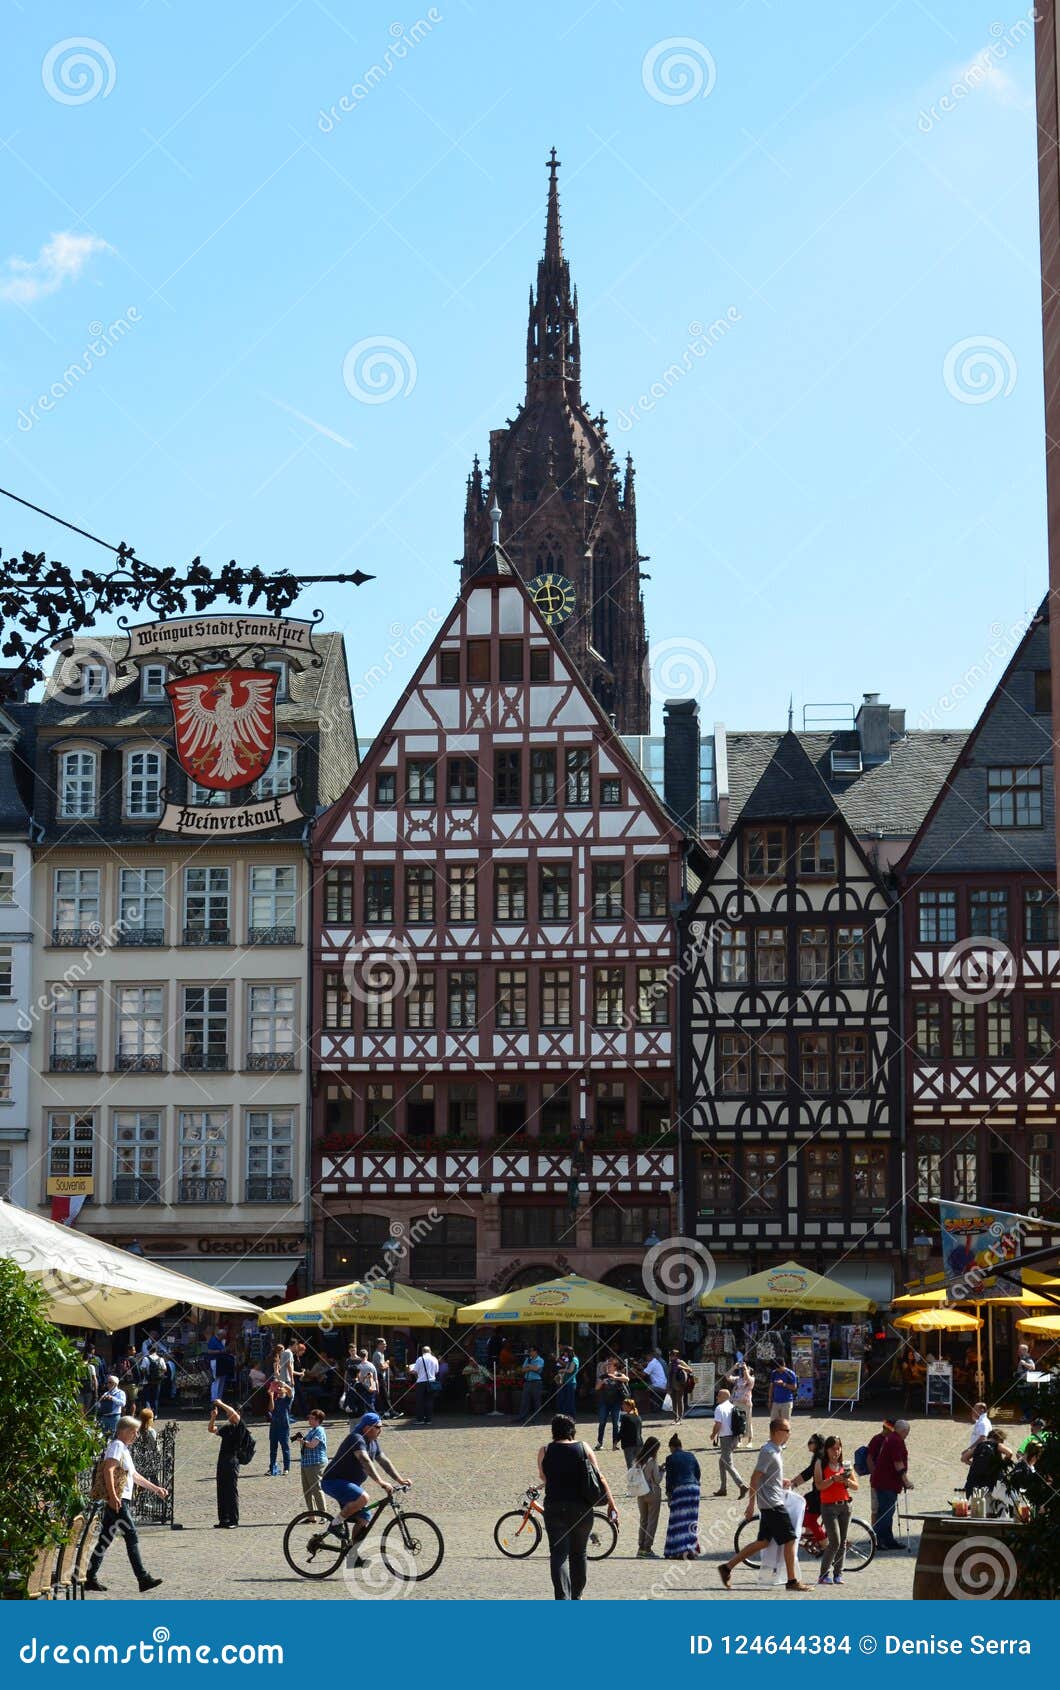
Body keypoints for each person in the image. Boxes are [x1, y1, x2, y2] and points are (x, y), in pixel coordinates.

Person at [718, 1417, 810, 1592]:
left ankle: (727, 1567)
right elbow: (755, 1477)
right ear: (777, 1432)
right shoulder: (768, 1451)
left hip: (771, 1502)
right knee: (790, 1539)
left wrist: (779, 1481)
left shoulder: (775, 1450)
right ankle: (792, 1581)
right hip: (773, 1504)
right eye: (787, 1430)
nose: (790, 1434)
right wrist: (751, 1504)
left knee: (763, 1542)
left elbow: (766, 1476)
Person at [537, 1412, 619, 1600]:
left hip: (554, 1506)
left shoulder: (545, 1450)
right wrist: (611, 1504)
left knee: (558, 1555)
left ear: (553, 1432)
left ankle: (562, 1599)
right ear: (572, 1431)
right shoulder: (584, 1447)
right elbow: (599, 1477)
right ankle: (577, 1596)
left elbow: (544, 1477)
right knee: (579, 1553)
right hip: (581, 1508)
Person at [310, 1412, 410, 1563]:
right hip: (333, 1481)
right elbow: (364, 1460)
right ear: (367, 1427)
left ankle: (352, 1556)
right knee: (363, 1498)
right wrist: (381, 1482)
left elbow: (384, 1461)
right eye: (377, 1427)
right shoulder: (356, 1438)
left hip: (348, 1485)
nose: (380, 1430)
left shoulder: (373, 1441)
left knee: (364, 1518)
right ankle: (336, 1524)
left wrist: (400, 1480)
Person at [84, 1416, 166, 1593]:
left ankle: (89, 1577)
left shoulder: (125, 1450)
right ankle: (143, 1578)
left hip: (121, 1499)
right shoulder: (117, 1446)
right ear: (125, 1431)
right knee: (131, 1535)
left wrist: (155, 1489)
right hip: (119, 1500)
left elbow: (134, 1476)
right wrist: (113, 1497)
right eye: (134, 1432)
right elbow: (108, 1469)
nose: (136, 1435)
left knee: (105, 1540)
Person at [814, 1434, 857, 1586]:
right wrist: (832, 1479)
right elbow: (819, 1485)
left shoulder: (845, 1465)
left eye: (839, 1448)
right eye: (833, 1449)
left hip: (845, 1505)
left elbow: (856, 1486)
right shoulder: (821, 1464)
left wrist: (845, 1480)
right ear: (827, 1450)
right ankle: (823, 1575)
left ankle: (838, 1574)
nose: (836, 1452)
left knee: (843, 1542)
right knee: (835, 1542)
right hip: (828, 1507)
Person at [871, 1418, 912, 1551]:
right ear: (903, 1430)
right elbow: (898, 1463)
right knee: (885, 1513)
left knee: (887, 1512)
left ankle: (888, 1540)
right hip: (886, 1483)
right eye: (907, 1432)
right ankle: (878, 1540)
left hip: (887, 1482)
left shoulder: (893, 1438)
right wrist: (906, 1481)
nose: (907, 1434)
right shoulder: (895, 1441)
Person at [663, 1432, 701, 1559]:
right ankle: (691, 1549)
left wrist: (669, 1495)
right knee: (691, 1520)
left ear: (672, 1447)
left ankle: (678, 1550)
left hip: (680, 1489)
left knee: (678, 1521)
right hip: (694, 1489)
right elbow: (698, 1472)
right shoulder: (691, 1455)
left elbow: (669, 1479)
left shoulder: (670, 1458)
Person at [209, 1398, 245, 1528]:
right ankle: (223, 1519)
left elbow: (234, 1415)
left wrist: (220, 1403)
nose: (228, 1416)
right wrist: (213, 1417)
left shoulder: (241, 1426)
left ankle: (234, 1520)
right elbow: (211, 1429)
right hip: (222, 1459)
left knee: (231, 1490)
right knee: (221, 1489)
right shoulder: (227, 1427)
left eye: (230, 1413)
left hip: (232, 1460)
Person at [790, 1433, 828, 1547]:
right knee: (803, 1501)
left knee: (810, 1520)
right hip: (818, 1493)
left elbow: (808, 1473)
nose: (808, 1444)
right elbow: (809, 1472)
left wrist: (793, 1484)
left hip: (821, 1494)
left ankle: (825, 1545)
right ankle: (809, 1533)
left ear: (817, 1444)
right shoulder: (819, 1454)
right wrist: (793, 1483)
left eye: (810, 1442)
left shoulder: (820, 1457)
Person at [711, 1387, 748, 1499]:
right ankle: (723, 1488)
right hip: (735, 1438)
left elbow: (718, 1424)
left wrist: (713, 1435)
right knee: (722, 1462)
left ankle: (741, 1485)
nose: (717, 1397)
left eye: (718, 1395)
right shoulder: (732, 1407)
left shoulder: (719, 1408)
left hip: (726, 1438)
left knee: (728, 1463)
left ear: (723, 1397)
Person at [631, 1435, 663, 1558]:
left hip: (640, 1493)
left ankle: (640, 1547)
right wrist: (662, 1470)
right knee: (652, 1521)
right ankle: (647, 1548)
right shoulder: (652, 1461)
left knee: (643, 1521)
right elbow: (657, 1479)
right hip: (652, 1492)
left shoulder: (637, 1460)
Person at [293, 1409, 329, 1515]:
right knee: (307, 1491)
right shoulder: (311, 1430)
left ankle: (323, 1514)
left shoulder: (319, 1430)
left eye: (311, 1418)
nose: (309, 1419)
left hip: (316, 1464)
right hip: (306, 1464)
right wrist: (302, 1440)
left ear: (318, 1420)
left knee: (316, 1489)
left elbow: (313, 1445)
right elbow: (306, 1445)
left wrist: (302, 1441)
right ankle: (311, 1516)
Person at [963, 1428, 1013, 1497]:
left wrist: (974, 1465)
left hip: (974, 1482)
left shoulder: (979, 1445)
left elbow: (964, 1458)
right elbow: (1009, 1453)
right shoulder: (997, 1445)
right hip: (990, 1483)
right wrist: (1001, 1464)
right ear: (1000, 1439)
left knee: (976, 1505)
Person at [865, 1416, 895, 1524]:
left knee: (888, 1510)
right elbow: (869, 1459)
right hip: (877, 1482)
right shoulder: (876, 1440)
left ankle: (886, 1536)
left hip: (889, 1482)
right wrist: (876, 1475)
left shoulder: (891, 1440)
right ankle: (875, 1535)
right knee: (876, 1509)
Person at [594, 1357, 629, 1451]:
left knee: (616, 1424)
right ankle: (599, 1443)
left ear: (615, 1366)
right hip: (604, 1402)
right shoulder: (603, 1376)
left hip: (616, 1403)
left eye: (610, 1365)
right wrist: (602, 1382)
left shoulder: (619, 1374)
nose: (608, 1366)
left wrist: (616, 1377)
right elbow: (596, 1388)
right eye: (608, 1364)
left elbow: (627, 1379)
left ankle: (615, 1444)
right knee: (602, 1423)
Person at [409, 1344, 440, 1423]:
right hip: (432, 1382)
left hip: (421, 1382)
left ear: (422, 1351)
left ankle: (420, 1419)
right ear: (430, 1351)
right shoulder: (434, 1359)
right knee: (429, 1401)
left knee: (420, 1401)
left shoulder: (420, 1358)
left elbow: (415, 1371)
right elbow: (436, 1371)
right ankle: (428, 1419)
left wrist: (409, 1370)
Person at [729, 1359, 755, 1447]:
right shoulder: (738, 1379)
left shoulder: (751, 1379)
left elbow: (749, 1380)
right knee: (738, 1421)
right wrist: (734, 1367)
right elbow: (727, 1376)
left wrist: (745, 1368)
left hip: (746, 1404)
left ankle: (750, 1441)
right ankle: (739, 1440)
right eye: (744, 1369)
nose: (744, 1370)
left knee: (748, 1421)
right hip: (736, 1402)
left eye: (747, 1369)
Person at [269, 1382, 293, 1475]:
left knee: (285, 1448)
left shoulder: (287, 1399)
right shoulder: (275, 1400)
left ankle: (286, 1468)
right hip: (274, 1426)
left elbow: (290, 1391)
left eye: (280, 1387)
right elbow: (271, 1409)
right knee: (273, 1449)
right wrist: (271, 1396)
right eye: (277, 1387)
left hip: (284, 1427)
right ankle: (272, 1467)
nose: (279, 1389)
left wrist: (284, 1385)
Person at [519, 1345, 545, 1423]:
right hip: (527, 1381)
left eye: (531, 1351)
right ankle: (522, 1417)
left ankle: (537, 1418)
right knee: (524, 1401)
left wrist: (529, 1366)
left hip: (536, 1382)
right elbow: (523, 1369)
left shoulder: (540, 1360)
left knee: (536, 1401)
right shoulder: (527, 1359)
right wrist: (532, 1368)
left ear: (535, 1352)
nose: (529, 1352)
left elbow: (537, 1369)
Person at [667, 1349, 695, 1422]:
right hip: (672, 1384)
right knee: (673, 1401)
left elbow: (690, 1370)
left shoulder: (681, 1362)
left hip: (680, 1383)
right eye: (670, 1356)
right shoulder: (670, 1364)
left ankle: (680, 1418)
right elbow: (668, 1375)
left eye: (671, 1356)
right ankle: (674, 1417)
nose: (670, 1357)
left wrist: (682, 1367)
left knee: (679, 1400)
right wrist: (668, 1386)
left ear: (675, 1356)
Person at [618, 1397, 644, 1469]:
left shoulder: (625, 1417)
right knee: (639, 1466)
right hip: (639, 1444)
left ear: (629, 1406)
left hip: (629, 1445)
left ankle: (633, 1480)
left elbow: (622, 1431)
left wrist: (615, 1441)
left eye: (624, 1405)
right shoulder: (638, 1417)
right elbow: (640, 1432)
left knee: (631, 1467)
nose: (622, 1406)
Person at [372, 1338, 393, 1417]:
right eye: (383, 1344)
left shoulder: (381, 1354)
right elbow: (382, 1367)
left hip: (381, 1376)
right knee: (384, 1395)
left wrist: (385, 1364)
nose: (385, 1345)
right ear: (379, 1345)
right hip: (379, 1376)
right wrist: (387, 1363)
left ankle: (385, 1412)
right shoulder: (378, 1354)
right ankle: (391, 1412)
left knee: (383, 1395)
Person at [555, 1348, 579, 1417]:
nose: (564, 1354)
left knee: (570, 1401)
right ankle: (565, 1416)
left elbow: (570, 1370)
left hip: (571, 1383)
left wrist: (562, 1370)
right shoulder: (569, 1360)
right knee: (564, 1400)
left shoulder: (574, 1359)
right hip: (565, 1382)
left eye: (565, 1352)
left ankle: (571, 1416)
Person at [356, 1348, 379, 1415]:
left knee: (363, 1406)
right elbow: (376, 1379)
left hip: (362, 1388)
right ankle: (374, 1419)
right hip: (372, 1387)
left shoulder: (358, 1367)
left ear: (360, 1356)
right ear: (367, 1356)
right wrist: (377, 1388)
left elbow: (358, 1380)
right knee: (371, 1404)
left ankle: (368, 1419)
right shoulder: (372, 1366)